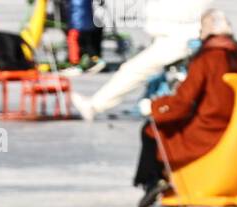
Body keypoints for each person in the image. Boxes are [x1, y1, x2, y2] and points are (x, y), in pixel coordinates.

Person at [136, 9, 237, 207]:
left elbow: (183, 102)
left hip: (206, 133)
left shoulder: (205, 60)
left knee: (152, 130)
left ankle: (154, 181)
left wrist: (155, 108)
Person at [72, 0, 202, 121]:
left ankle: (94, 105)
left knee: (133, 70)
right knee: (139, 72)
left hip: (177, 39)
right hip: (173, 37)